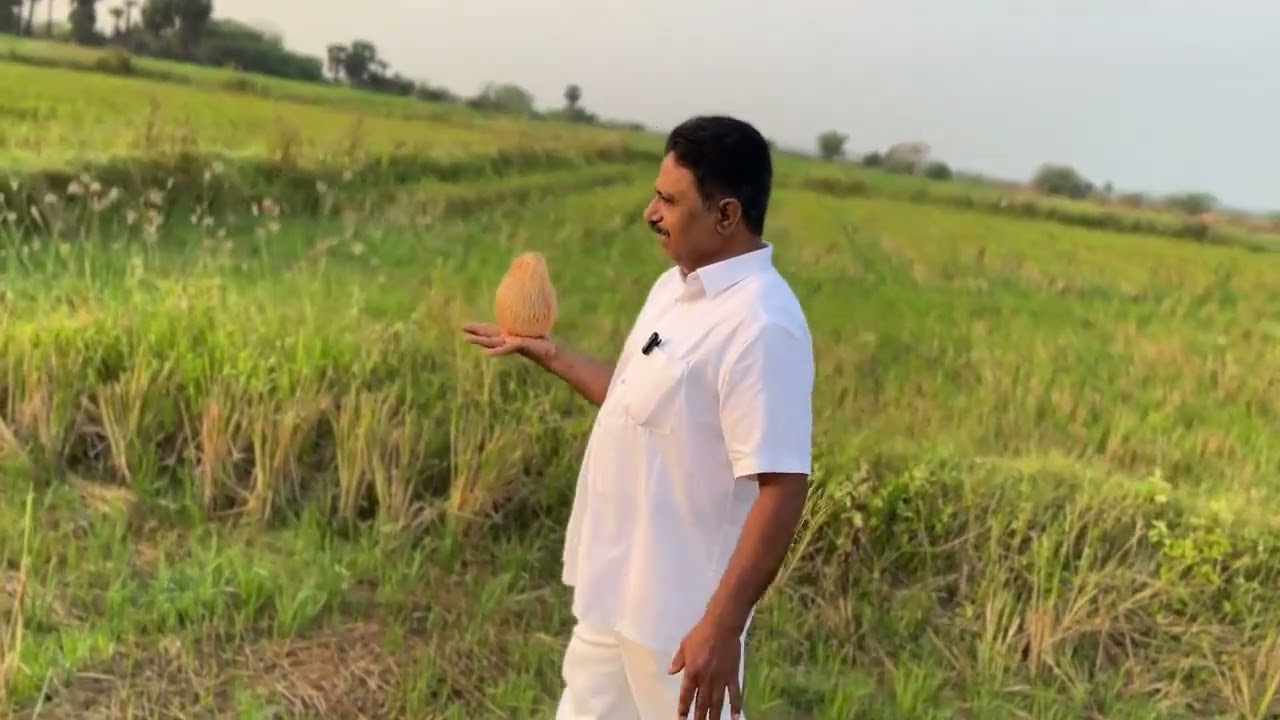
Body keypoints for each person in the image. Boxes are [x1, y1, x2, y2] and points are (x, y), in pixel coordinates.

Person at [462, 114, 814, 720]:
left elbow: (782, 487)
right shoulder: (672, 289)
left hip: (680, 619)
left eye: (669, 201)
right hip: (615, 586)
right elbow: (635, 399)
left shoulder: (762, 325)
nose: (651, 213)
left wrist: (722, 624)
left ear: (726, 215)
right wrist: (552, 355)